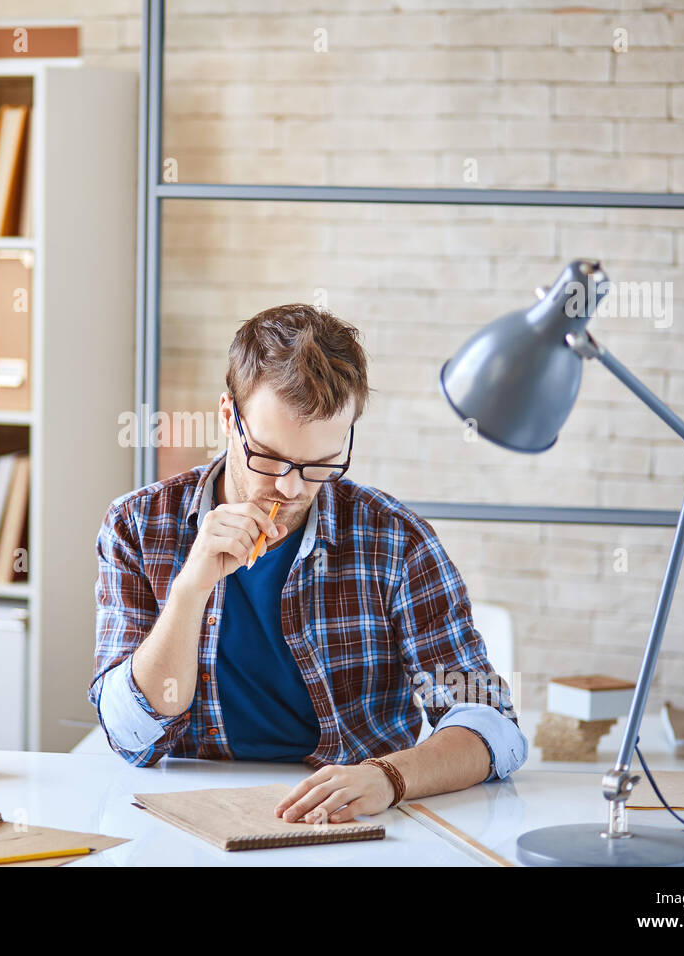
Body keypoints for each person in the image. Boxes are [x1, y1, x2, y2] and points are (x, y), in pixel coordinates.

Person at [90, 303, 527, 826]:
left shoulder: (396, 541)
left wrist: (389, 776)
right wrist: (191, 587)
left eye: (321, 465)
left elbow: (492, 727)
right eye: (270, 459)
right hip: (181, 812)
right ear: (229, 417)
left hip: (353, 821)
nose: (292, 488)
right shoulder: (138, 524)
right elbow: (128, 734)